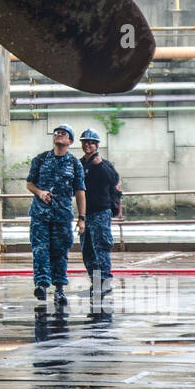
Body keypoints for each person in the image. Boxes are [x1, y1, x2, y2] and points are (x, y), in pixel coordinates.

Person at [25, 124, 86, 307]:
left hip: (62, 215)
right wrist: (40, 192)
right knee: (40, 250)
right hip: (40, 215)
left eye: (64, 133)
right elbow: (29, 183)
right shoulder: (41, 159)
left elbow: (80, 191)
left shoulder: (75, 164)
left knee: (60, 253)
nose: (59, 135)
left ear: (70, 141)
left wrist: (82, 218)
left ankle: (59, 289)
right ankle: (42, 285)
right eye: (57, 133)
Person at [78, 128, 121, 303]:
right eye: (85, 142)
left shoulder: (104, 164)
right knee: (87, 249)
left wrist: (100, 164)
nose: (87, 145)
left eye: (91, 142)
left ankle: (105, 283)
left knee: (101, 248)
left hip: (101, 212)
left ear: (96, 145)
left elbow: (114, 179)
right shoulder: (79, 164)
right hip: (85, 214)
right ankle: (95, 283)